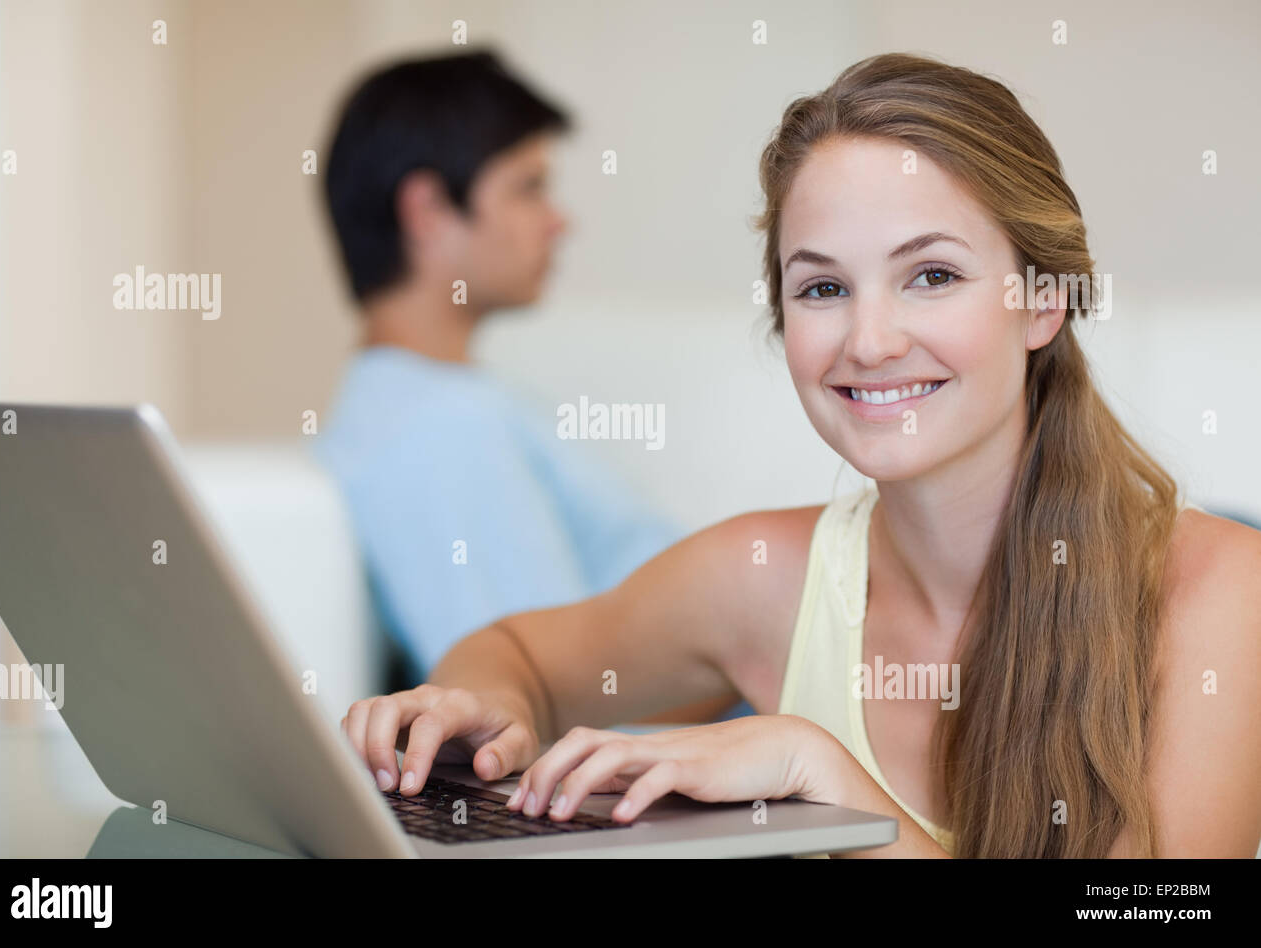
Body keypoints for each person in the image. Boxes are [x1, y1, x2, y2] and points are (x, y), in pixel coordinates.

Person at [340, 53, 1261, 857]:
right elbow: (514, 654)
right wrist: (481, 709)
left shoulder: (1221, 594)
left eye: (931, 275)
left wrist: (825, 776)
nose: (868, 341)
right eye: (822, 287)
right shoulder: (759, 581)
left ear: (1042, 302)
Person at [314, 50, 746, 724]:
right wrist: (775, 641)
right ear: (427, 211)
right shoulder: (437, 429)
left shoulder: (447, 406)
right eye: (529, 187)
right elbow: (559, 705)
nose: (559, 220)